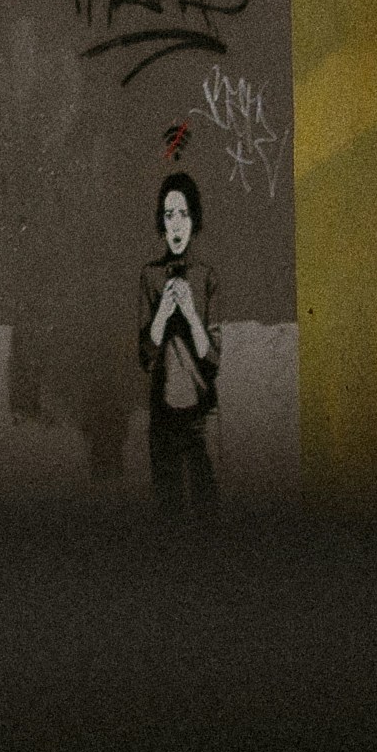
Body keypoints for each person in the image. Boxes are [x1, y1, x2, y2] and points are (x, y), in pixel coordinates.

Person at [140, 168, 220, 514]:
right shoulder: (150, 275)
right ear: (161, 221)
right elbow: (144, 356)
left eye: (183, 215)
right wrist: (161, 314)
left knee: (206, 509)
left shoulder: (206, 277)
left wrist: (189, 313)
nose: (175, 225)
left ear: (194, 220)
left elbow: (213, 358)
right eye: (169, 215)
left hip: (202, 413)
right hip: (162, 417)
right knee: (168, 510)